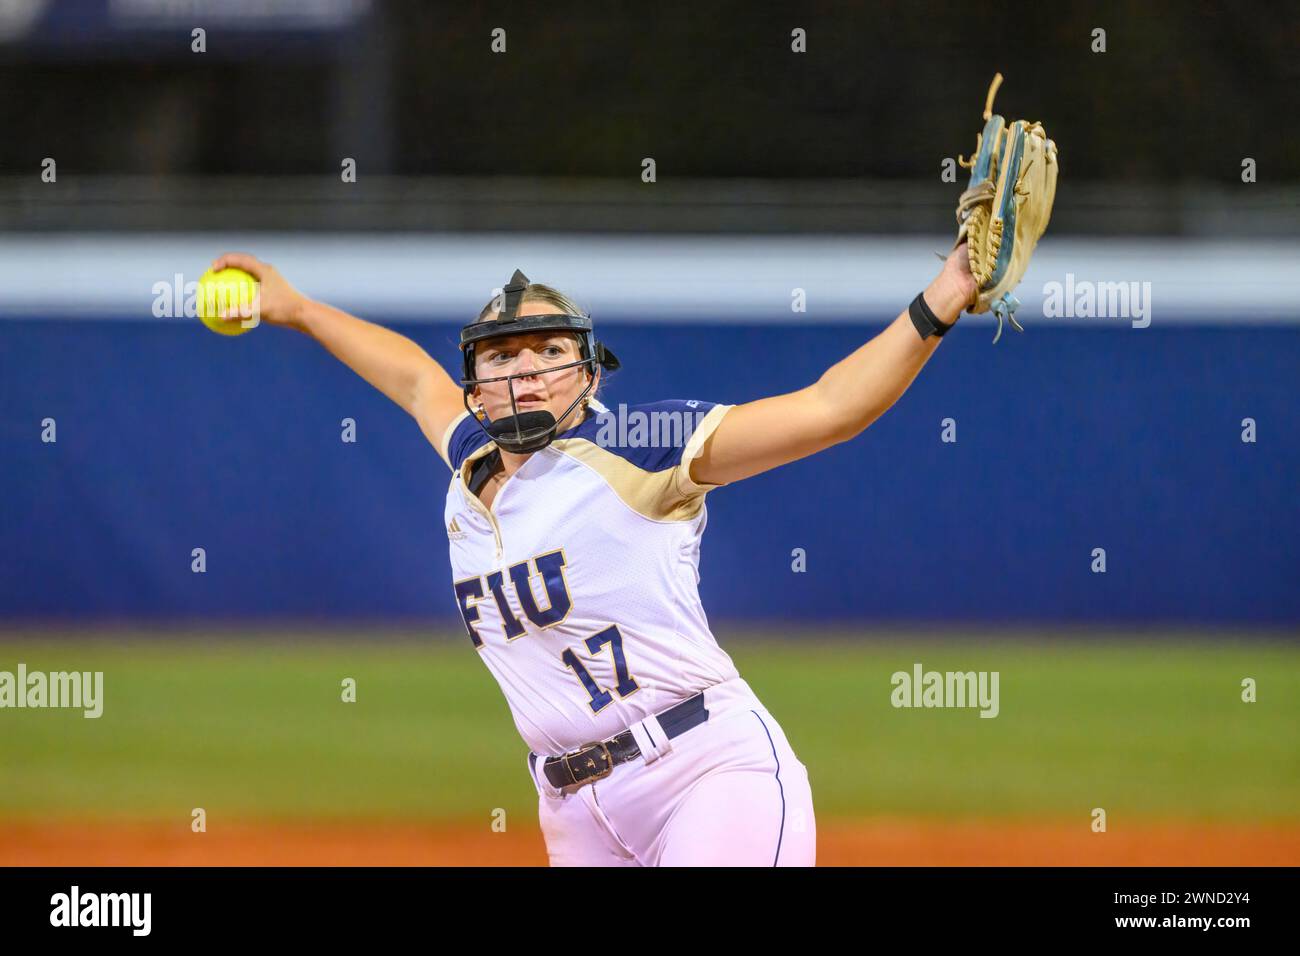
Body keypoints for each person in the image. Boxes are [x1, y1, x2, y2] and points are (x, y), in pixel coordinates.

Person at [206, 246, 978, 866]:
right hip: (574, 814)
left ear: (586, 371)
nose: (527, 370)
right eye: (502, 357)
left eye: (549, 350)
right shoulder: (472, 462)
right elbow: (411, 377)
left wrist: (944, 293)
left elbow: (830, 408)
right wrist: (296, 308)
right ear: (476, 387)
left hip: (705, 772)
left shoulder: (638, 446)